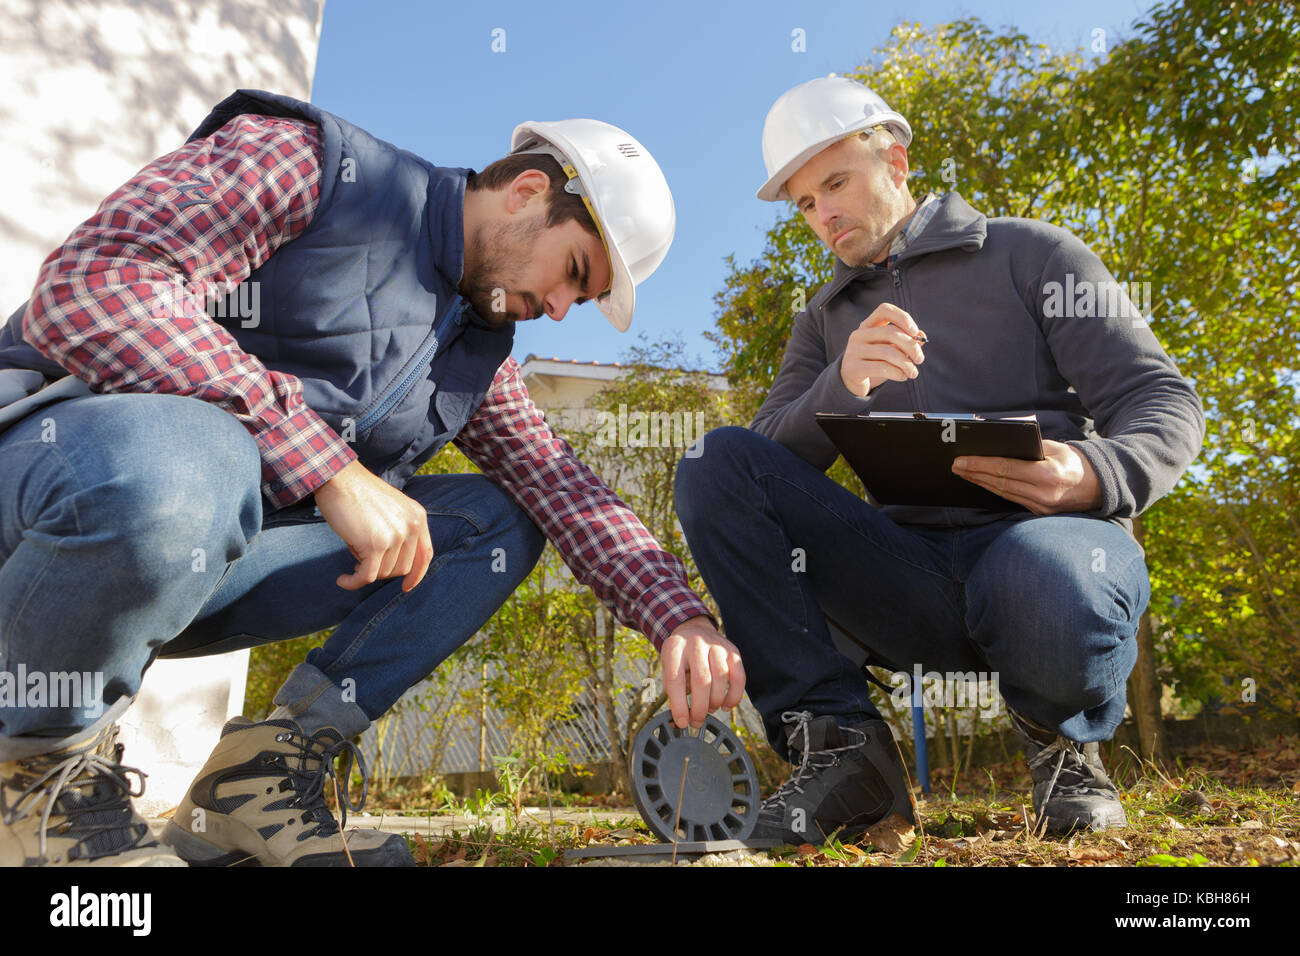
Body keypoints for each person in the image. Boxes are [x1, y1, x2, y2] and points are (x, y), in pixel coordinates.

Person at [0, 89, 744, 867]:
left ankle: (253, 784)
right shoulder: (309, 165)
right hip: (53, 496)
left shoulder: (475, 352)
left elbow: (564, 487)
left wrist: (679, 618)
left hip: (193, 566)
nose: (559, 309)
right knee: (205, 443)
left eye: (580, 302)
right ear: (530, 192)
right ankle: (35, 769)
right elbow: (92, 287)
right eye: (574, 272)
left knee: (495, 522)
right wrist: (327, 466)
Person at [674, 76, 1205, 844]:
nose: (823, 215)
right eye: (804, 204)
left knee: (1045, 575)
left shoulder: (1033, 254)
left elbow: (1164, 402)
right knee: (715, 460)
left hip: (1048, 552)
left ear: (894, 160)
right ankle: (845, 751)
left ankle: (1064, 748)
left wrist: (1091, 475)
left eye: (835, 183)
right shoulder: (823, 322)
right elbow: (758, 467)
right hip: (908, 574)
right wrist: (844, 383)